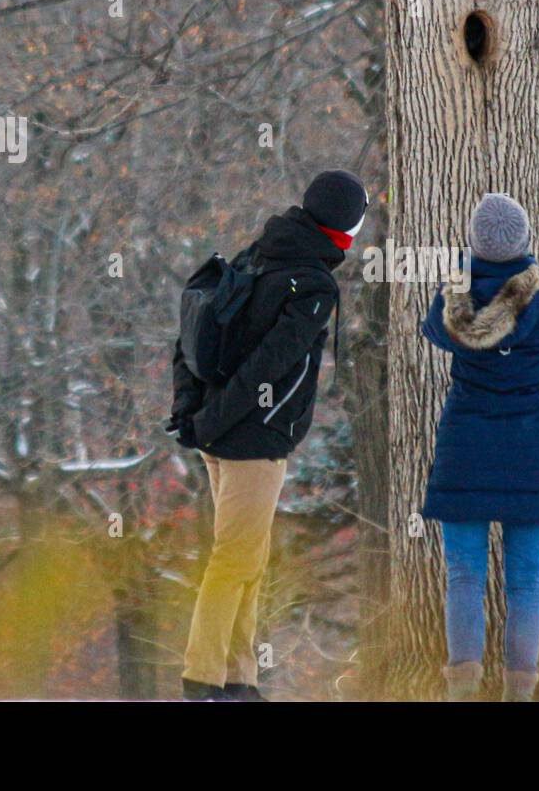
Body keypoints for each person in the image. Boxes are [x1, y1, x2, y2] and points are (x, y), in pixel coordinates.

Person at [171, 170, 368, 701]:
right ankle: (203, 677)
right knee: (235, 559)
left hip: (221, 429)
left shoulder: (259, 253)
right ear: (346, 225)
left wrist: (195, 416)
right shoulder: (314, 284)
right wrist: (214, 424)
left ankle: (239, 678)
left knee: (248, 559)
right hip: (251, 439)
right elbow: (270, 365)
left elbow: (193, 332)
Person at [421, 192, 539, 702]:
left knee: (464, 575)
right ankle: (519, 693)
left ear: (475, 243)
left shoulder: (453, 303)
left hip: (466, 445)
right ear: (525, 240)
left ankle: (461, 692)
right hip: (530, 449)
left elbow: (433, 332)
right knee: (526, 581)